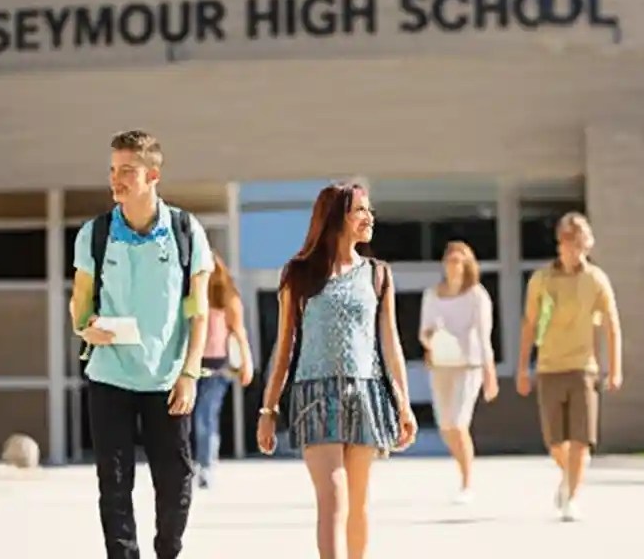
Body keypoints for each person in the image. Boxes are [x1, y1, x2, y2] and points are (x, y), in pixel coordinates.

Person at [69, 129, 214, 559]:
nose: (116, 179)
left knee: (175, 481)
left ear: (152, 175)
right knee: (113, 484)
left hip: (168, 379)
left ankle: (167, 550)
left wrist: (189, 373)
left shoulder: (186, 231)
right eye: (113, 170)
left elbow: (198, 311)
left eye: (127, 171)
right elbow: (79, 301)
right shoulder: (94, 234)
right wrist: (85, 326)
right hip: (109, 375)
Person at [256, 182, 417, 559]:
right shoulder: (298, 275)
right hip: (314, 395)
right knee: (333, 498)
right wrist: (268, 409)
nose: (369, 217)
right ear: (336, 217)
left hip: (367, 392)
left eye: (369, 209)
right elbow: (285, 347)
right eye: (360, 210)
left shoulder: (378, 275)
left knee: (358, 505)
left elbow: (391, 345)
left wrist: (404, 405)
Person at [516, 211, 623, 522]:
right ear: (559, 244)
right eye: (567, 242)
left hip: (583, 369)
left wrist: (614, 369)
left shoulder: (596, 279)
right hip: (549, 368)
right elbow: (529, 325)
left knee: (580, 441)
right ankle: (569, 479)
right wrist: (523, 368)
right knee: (555, 444)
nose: (572, 249)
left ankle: (572, 497)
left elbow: (612, 326)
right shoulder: (541, 280)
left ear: (586, 245)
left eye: (578, 243)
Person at [418, 240, 498, 504]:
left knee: (459, 421)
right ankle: (462, 467)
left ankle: (467, 482)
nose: (453, 265)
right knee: (445, 426)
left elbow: (485, 337)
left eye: (459, 261)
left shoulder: (477, 295)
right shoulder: (432, 295)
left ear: (467, 265)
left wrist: (490, 374)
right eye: (450, 260)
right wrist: (432, 338)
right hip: (441, 364)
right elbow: (424, 331)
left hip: (469, 365)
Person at [191, 250, 255, 489]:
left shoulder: (227, 297)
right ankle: (193, 465)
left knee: (205, 416)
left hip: (218, 369)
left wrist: (247, 363)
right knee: (187, 418)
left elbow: (239, 333)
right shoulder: (192, 296)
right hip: (193, 367)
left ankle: (206, 466)